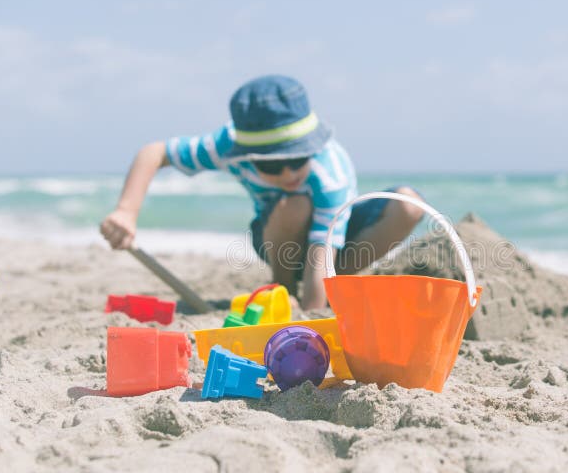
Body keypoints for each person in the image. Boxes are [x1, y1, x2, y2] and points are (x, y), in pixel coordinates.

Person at [100, 75, 424, 310]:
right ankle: (281, 287)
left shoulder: (330, 174)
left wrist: (312, 315)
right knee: (295, 204)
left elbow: (321, 254)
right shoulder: (228, 146)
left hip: (334, 243)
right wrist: (126, 211)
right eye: (272, 166)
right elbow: (155, 152)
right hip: (276, 237)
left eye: (298, 159)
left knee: (408, 205)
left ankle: (334, 290)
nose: (288, 173)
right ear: (247, 156)